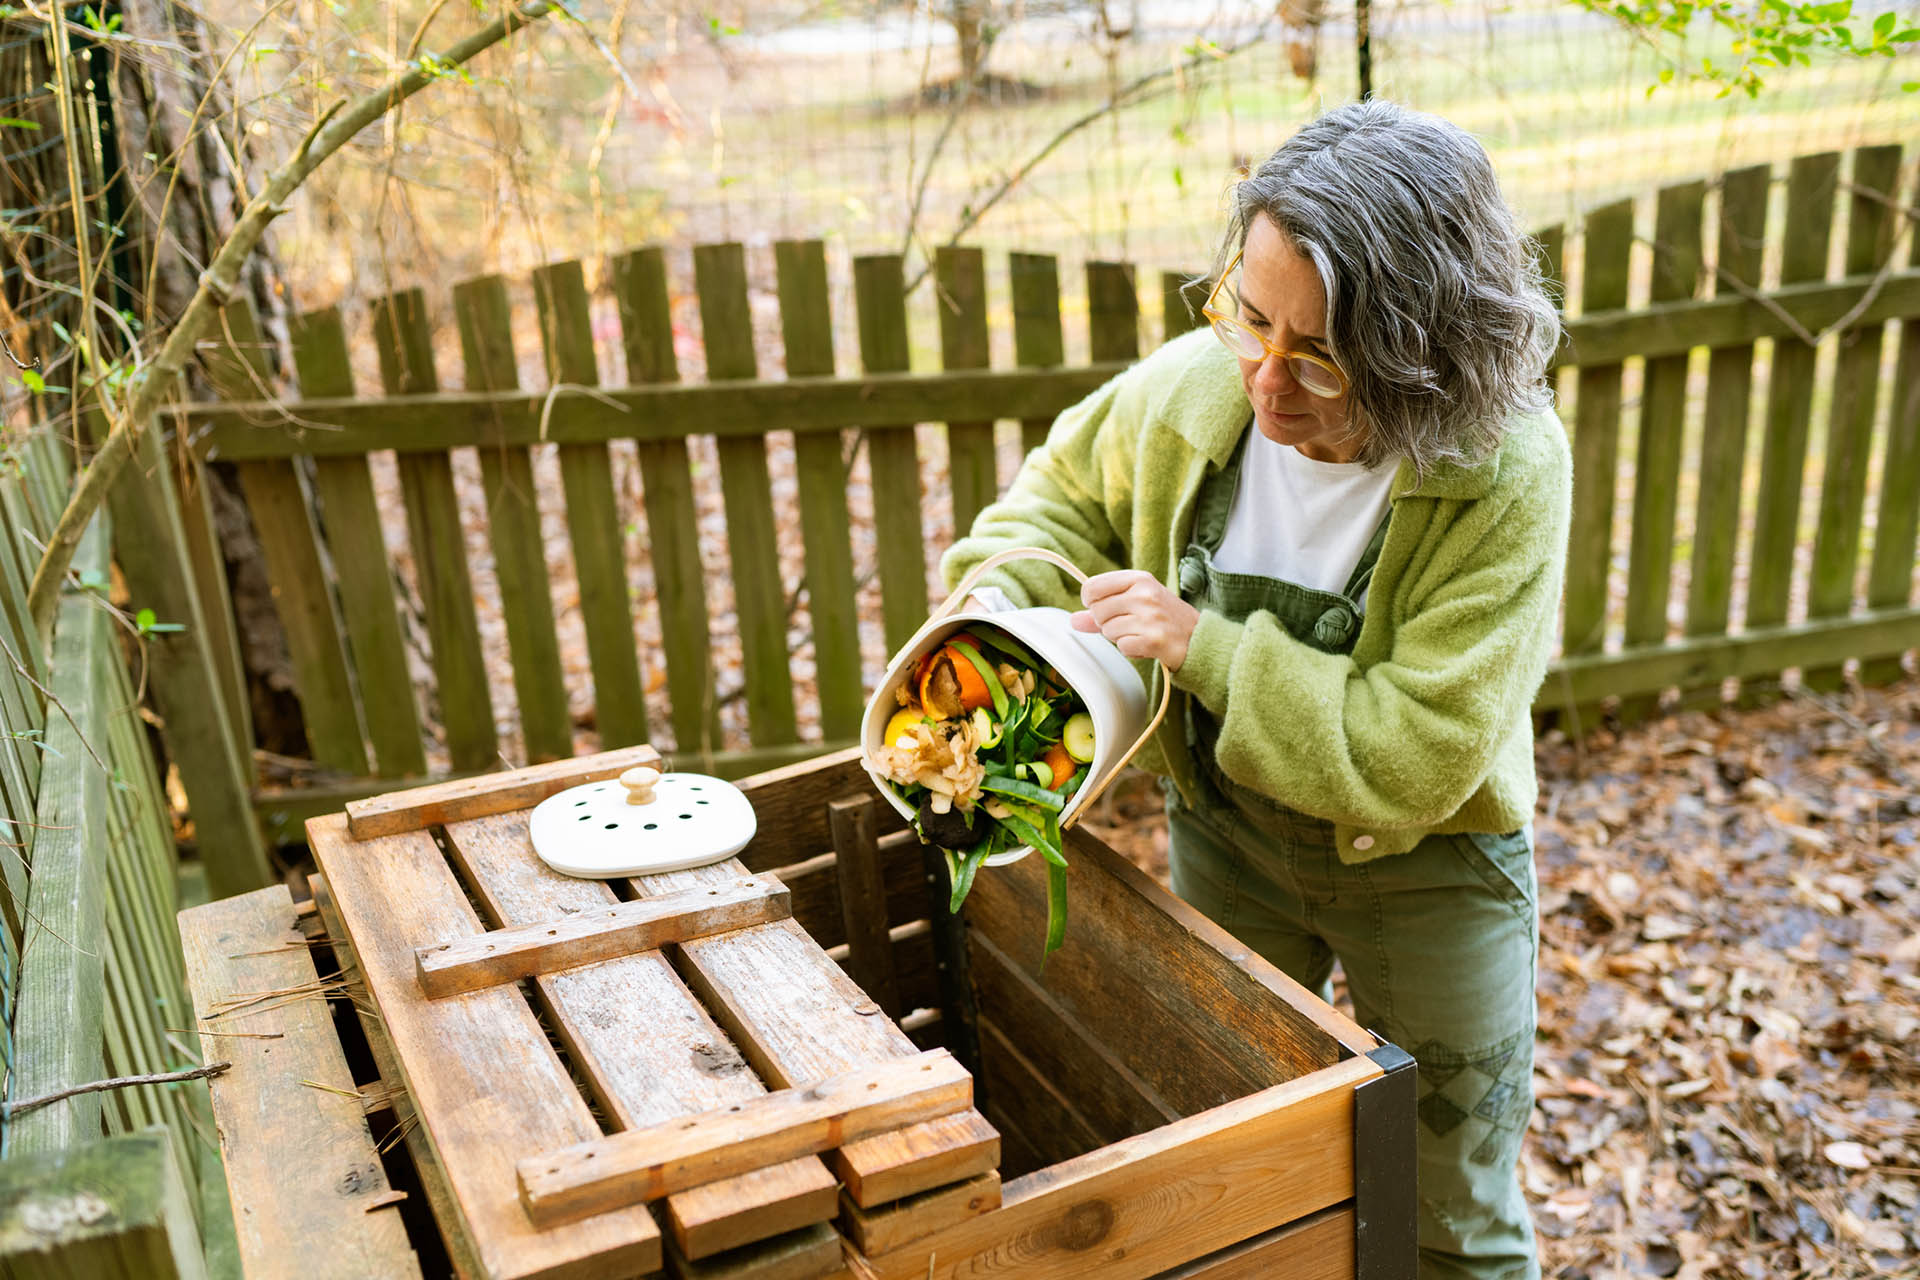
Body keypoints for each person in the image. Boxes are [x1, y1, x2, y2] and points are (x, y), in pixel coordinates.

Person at [941, 99, 1570, 1279]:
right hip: (1229, 838)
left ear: (1424, 354)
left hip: (1427, 867)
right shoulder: (1198, 389)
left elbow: (1420, 750)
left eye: (1322, 354)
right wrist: (998, 600)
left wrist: (1204, 646)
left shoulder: (1502, 471)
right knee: (1240, 1162)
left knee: (1453, 1213)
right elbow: (1055, 501)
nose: (1267, 380)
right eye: (1249, 314)